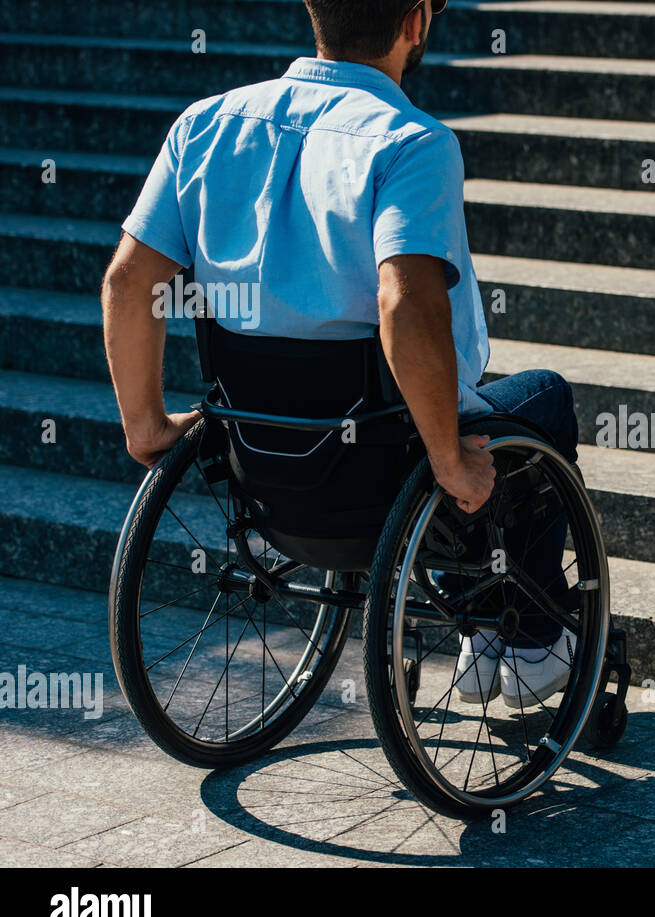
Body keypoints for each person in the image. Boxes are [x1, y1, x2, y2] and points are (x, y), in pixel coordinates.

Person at [100, 0, 578, 709]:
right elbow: (404, 307)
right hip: (383, 460)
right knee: (543, 397)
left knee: (430, 418)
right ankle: (529, 638)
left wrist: (144, 426)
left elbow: (128, 281)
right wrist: (449, 461)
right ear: (416, 22)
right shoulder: (412, 142)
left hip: (265, 456)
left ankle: (480, 624)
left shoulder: (203, 124)